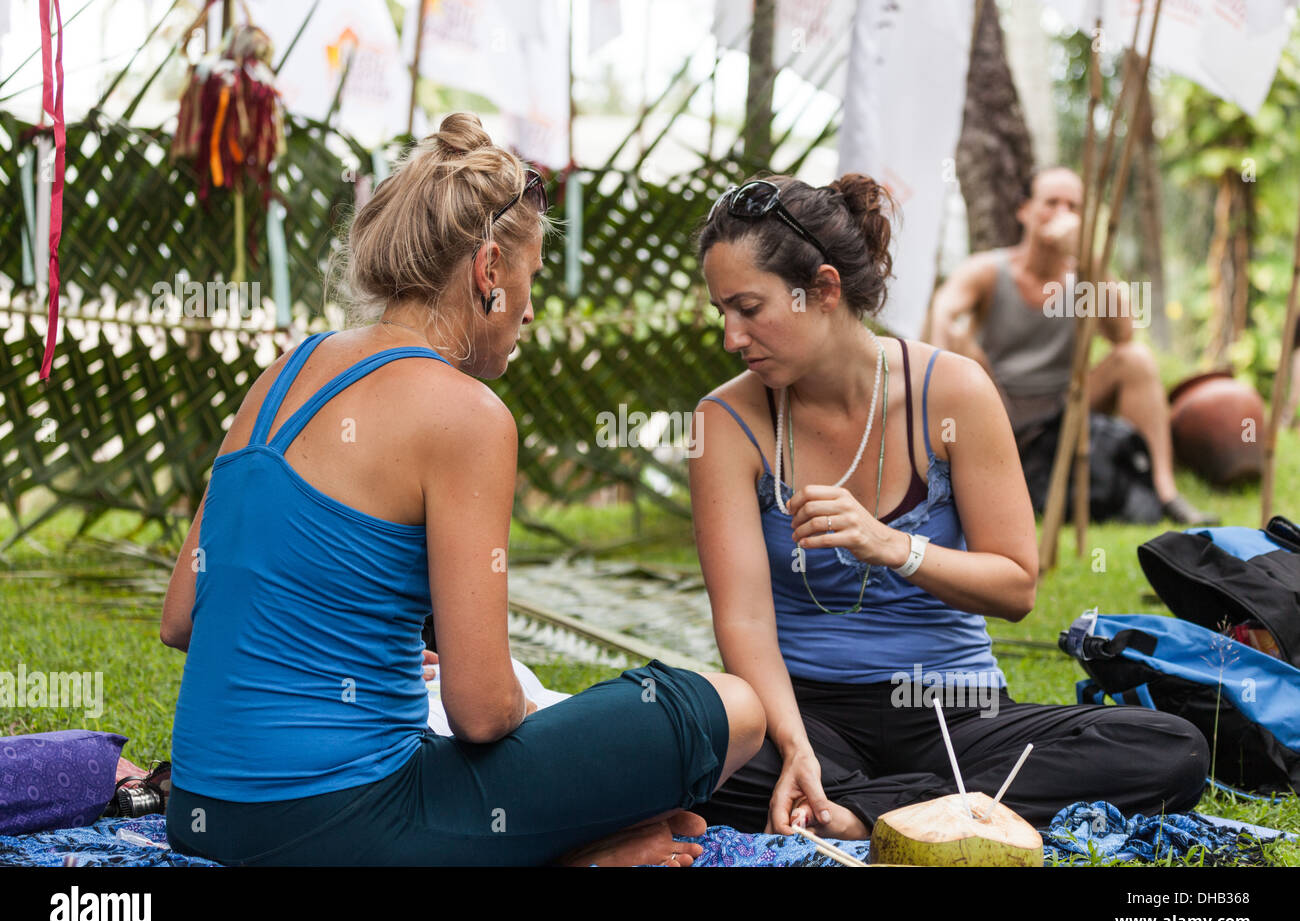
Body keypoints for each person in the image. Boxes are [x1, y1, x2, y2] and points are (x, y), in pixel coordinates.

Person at [158, 112, 764, 867]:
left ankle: (576, 842)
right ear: (487, 271)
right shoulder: (469, 415)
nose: (531, 309)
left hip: (203, 810)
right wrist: (549, 720)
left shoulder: (281, 373)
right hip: (346, 826)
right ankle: (572, 847)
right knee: (734, 708)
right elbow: (480, 714)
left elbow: (182, 615)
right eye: (529, 280)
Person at [687, 173, 1209, 839]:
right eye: (721, 312)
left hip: (955, 713)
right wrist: (795, 749)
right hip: (806, 714)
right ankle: (904, 807)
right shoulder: (725, 423)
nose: (732, 337)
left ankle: (864, 814)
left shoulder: (952, 393)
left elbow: (1017, 586)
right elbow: (746, 621)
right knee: (684, 751)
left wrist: (892, 547)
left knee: (1174, 749)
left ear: (822, 289)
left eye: (748, 308)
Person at [928, 166, 1217, 525]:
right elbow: (944, 309)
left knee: (1135, 359)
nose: (1062, 214)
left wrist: (1086, 258)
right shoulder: (989, 271)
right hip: (995, 408)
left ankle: (1163, 491)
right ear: (1025, 210)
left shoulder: (1081, 279)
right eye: (1051, 203)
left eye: (1073, 207)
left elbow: (1123, 333)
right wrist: (952, 345)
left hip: (1065, 410)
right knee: (961, 344)